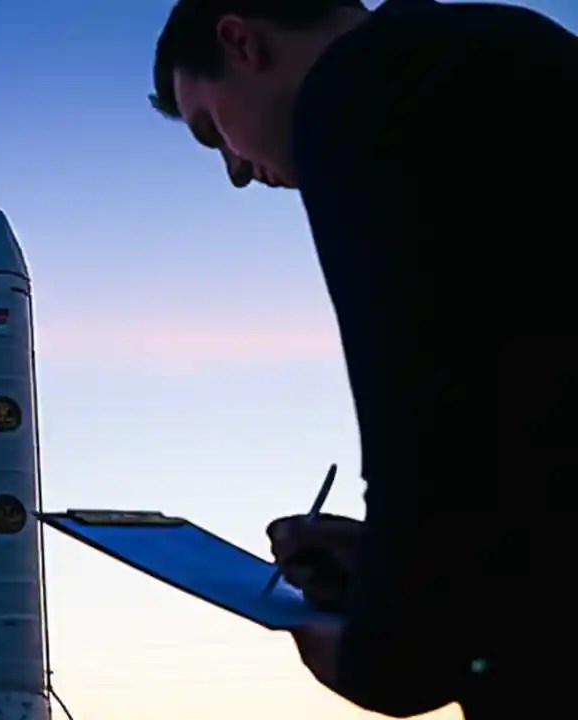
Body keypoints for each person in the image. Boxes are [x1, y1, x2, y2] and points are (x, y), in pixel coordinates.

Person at [149, 0, 575, 717]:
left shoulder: (356, 96)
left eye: (210, 131)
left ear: (242, 41)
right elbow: (522, 413)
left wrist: (386, 651)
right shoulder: (511, 46)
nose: (234, 171)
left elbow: (421, 411)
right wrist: (385, 560)